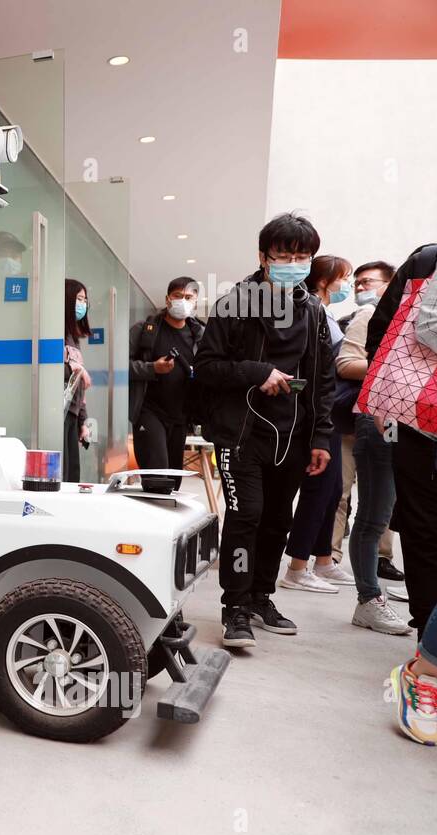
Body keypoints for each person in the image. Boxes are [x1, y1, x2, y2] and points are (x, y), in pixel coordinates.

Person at [196, 213, 336, 649]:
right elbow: (205, 369)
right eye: (284, 256)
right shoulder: (234, 304)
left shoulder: (312, 310)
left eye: (302, 257)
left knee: (278, 520)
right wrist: (257, 371)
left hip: (292, 435)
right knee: (246, 515)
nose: (294, 264)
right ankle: (234, 606)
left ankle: (261, 596)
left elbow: (323, 381)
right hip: (242, 433)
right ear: (263, 257)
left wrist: (320, 437)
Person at [371, 244, 437, 743]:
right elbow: (418, 328)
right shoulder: (430, 262)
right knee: (422, 530)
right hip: (422, 424)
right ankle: (429, 661)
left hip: (417, 421)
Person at [334, 260, 411, 634]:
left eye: (370, 281)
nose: (363, 287)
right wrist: (395, 368)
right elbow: (347, 363)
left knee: (408, 515)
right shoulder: (372, 315)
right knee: (374, 513)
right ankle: (368, 598)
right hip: (381, 417)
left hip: (421, 425)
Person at [280, 256, 353, 592]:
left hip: (330, 411)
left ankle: (323, 559)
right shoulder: (314, 311)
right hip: (319, 410)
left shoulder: (327, 312)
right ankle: (297, 565)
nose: (346, 286)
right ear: (325, 280)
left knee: (333, 489)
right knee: (319, 487)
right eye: (344, 279)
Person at [129, 277, 204, 470]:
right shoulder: (145, 330)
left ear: (195, 302)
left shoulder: (200, 336)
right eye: (177, 296)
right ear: (167, 299)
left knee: (173, 478)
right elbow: (120, 367)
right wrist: (152, 368)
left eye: (188, 297)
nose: (182, 301)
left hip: (181, 417)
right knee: (157, 473)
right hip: (149, 411)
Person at [63, 278, 91, 483]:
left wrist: (84, 421)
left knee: (73, 473)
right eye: (78, 299)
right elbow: (49, 370)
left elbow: (80, 387)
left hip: (72, 412)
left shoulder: (74, 338)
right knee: (62, 474)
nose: (83, 304)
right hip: (58, 412)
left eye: (84, 300)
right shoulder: (54, 333)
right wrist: (76, 369)